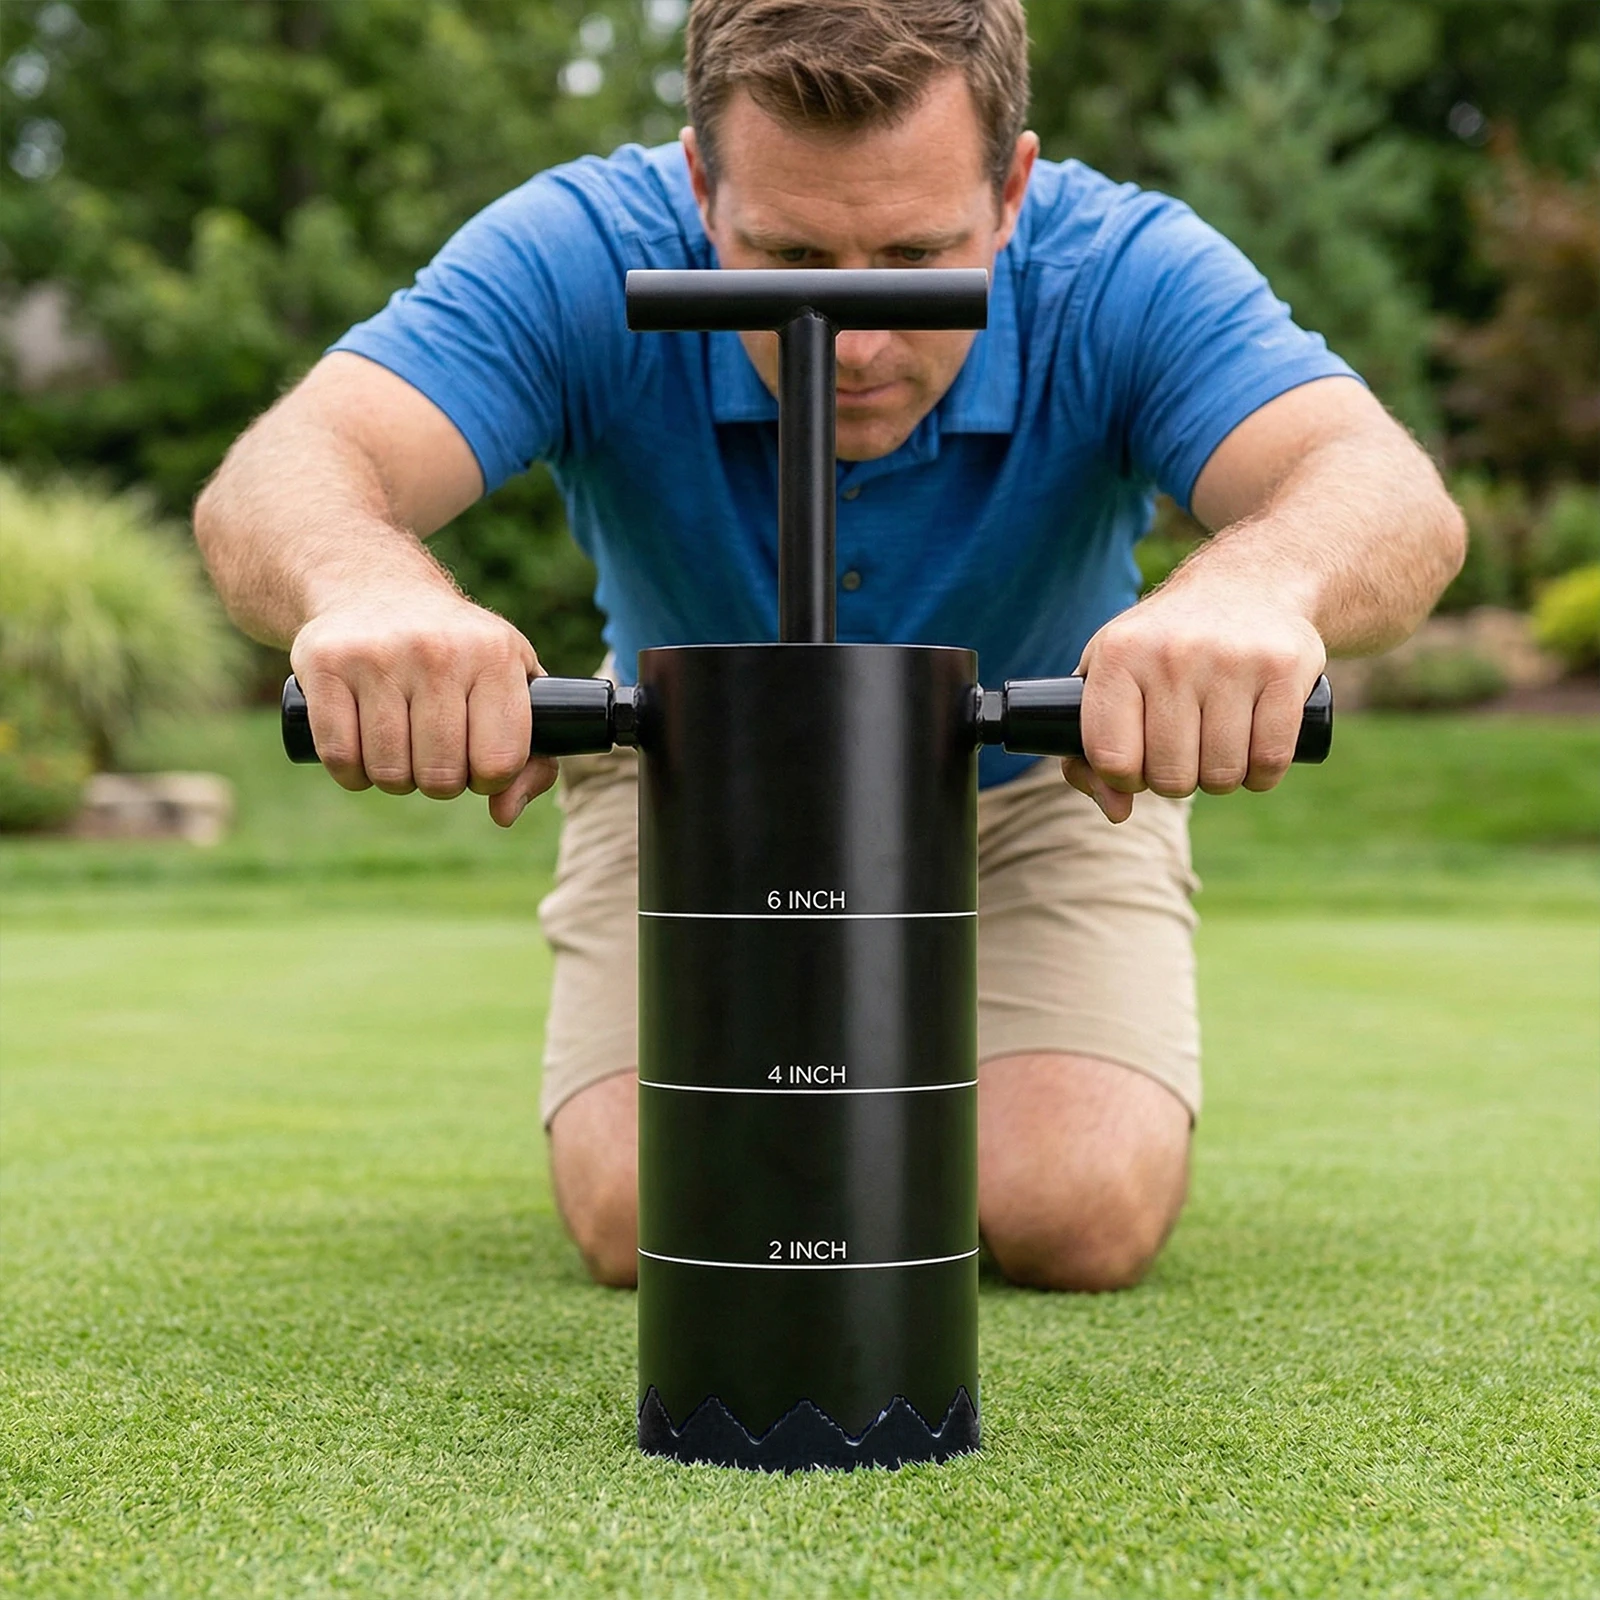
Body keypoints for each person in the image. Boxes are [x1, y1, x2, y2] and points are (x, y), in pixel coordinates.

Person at [195, 0, 1464, 1294]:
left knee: (1070, 1205)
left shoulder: (1122, 267)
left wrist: (1256, 590)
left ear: (1011, 186)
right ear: (702, 181)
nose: (850, 343)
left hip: (1027, 796)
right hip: (692, 784)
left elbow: (1387, 493)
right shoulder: (579, 248)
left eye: (915, 260)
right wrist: (362, 587)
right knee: (652, 1206)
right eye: (789, 250)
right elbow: (277, 475)